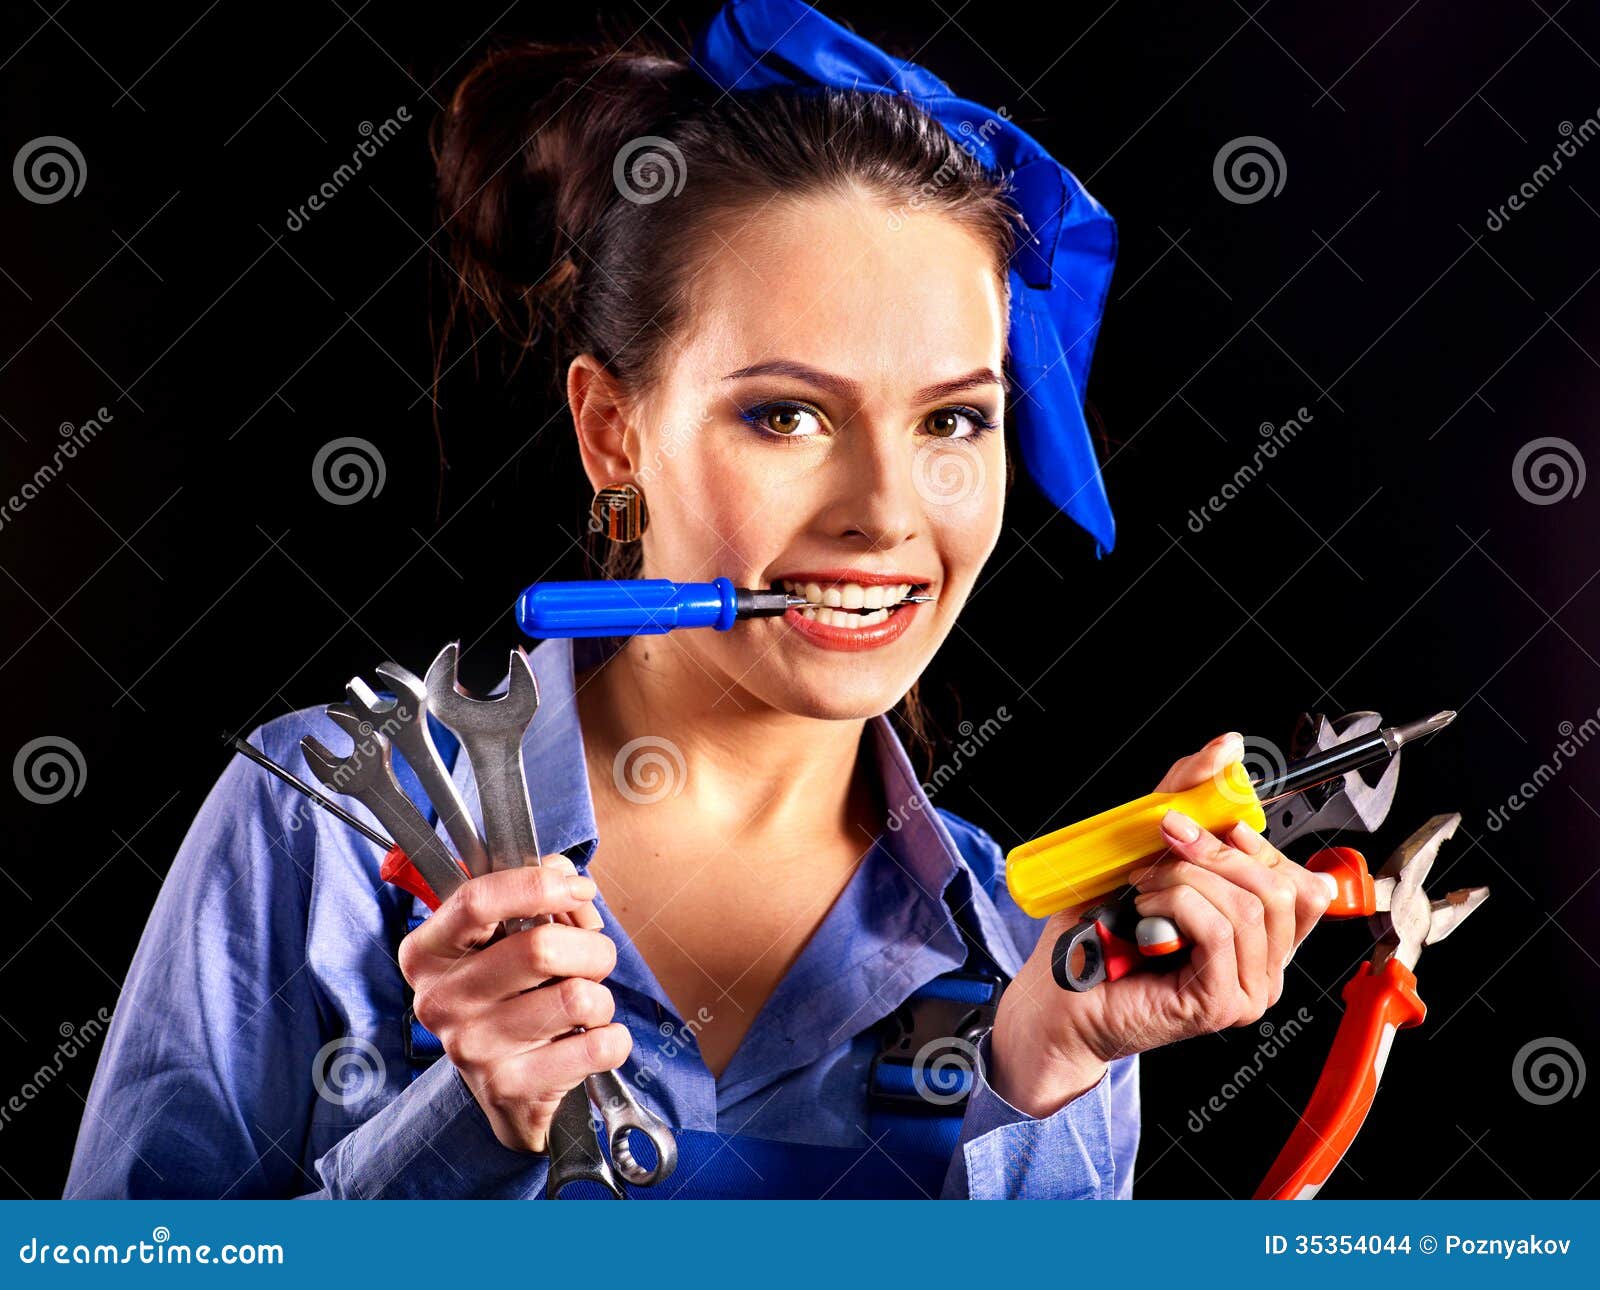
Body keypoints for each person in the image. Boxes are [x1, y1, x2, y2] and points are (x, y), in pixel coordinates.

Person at [66, 0, 1333, 1199]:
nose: (885, 511)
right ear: (612, 432)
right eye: (785, 415)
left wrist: (1033, 1078)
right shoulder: (329, 829)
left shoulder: (1043, 958)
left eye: (954, 418)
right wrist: (457, 1135)